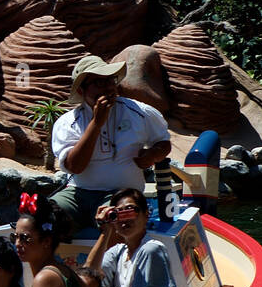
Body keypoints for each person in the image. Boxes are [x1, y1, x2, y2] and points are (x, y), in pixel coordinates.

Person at [50, 55, 172, 236]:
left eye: (110, 80)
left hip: (122, 195)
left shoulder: (139, 112)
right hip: (79, 193)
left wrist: (152, 155)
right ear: (82, 90)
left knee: (117, 217)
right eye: (99, 82)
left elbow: (163, 142)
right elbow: (75, 167)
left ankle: (111, 252)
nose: (108, 87)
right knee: (46, 216)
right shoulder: (68, 122)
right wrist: (96, 123)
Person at [87, 187, 182, 287]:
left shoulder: (151, 249)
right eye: (118, 214)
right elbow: (87, 277)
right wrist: (105, 231)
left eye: (131, 211)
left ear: (146, 214)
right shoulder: (119, 252)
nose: (125, 220)